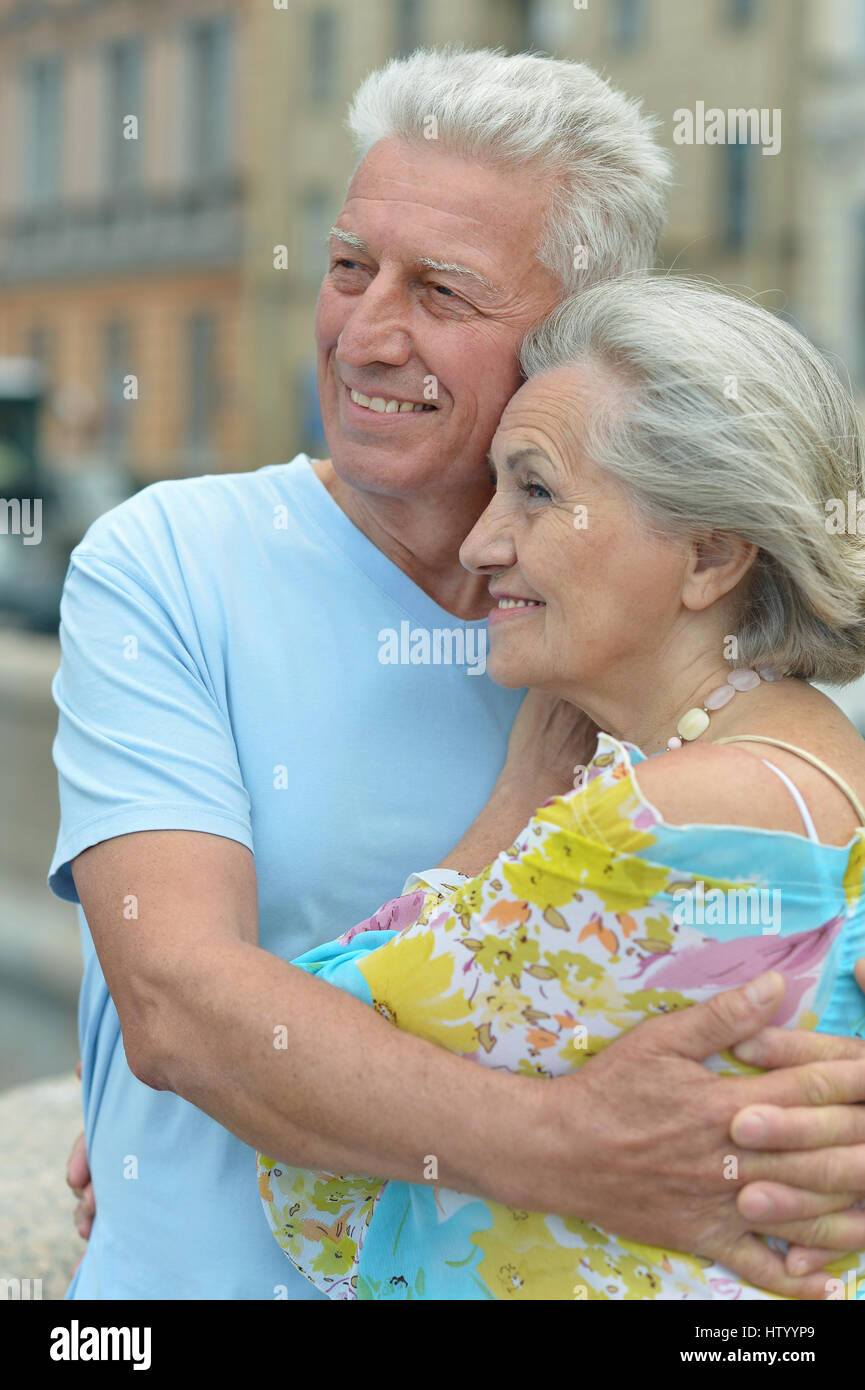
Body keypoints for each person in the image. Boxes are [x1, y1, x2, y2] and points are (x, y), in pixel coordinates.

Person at [53, 49, 865, 1301]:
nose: (367, 335)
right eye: (345, 270)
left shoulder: (638, 651)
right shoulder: (166, 562)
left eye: (440, 291)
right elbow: (182, 1010)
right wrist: (577, 1152)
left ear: (574, 334)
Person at [258, 274, 865, 1300]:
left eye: (535, 490)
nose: (479, 542)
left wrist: (509, 809)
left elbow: (289, 1082)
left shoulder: (670, 819)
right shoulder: (814, 767)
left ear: (709, 554)